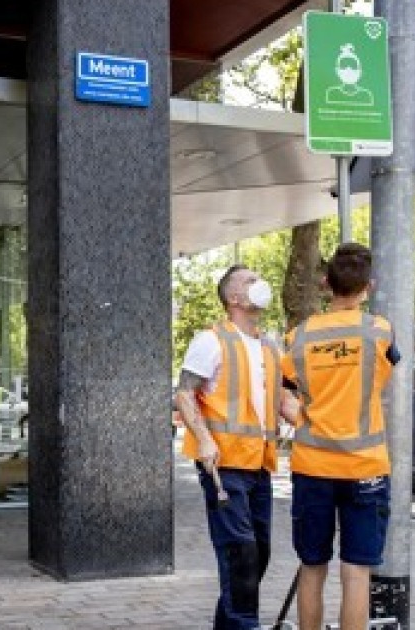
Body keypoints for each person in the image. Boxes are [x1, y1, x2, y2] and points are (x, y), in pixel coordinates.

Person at [280, 243, 400, 630]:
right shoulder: (379, 331)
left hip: (312, 467)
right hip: (365, 467)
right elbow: (388, 369)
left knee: (312, 567)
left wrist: (310, 416)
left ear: (325, 283)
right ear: (369, 286)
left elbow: (287, 396)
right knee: (357, 571)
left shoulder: (297, 338)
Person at [175, 264, 300, 630]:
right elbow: (184, 394)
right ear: (233, 298)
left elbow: (284, 403)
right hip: (223, 464)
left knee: (257, 553)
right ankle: (245, 625)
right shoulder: (210, 341)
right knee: (240, 553)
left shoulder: (269, 348)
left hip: (259, 464)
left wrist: (323, 431)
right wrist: (206, 439)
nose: (260, 283)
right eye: (250, 281)